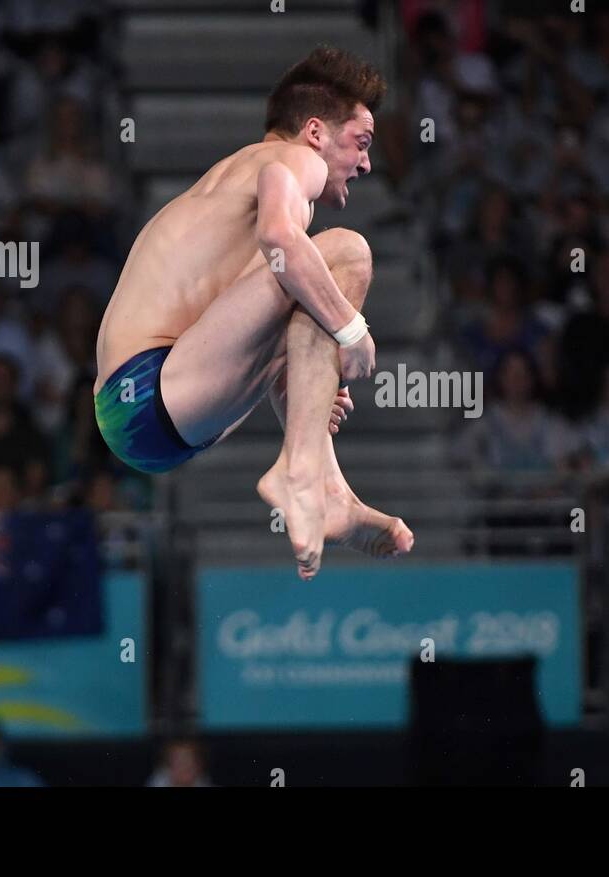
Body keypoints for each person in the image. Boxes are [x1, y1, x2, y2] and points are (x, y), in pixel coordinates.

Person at [93, 47, 413, 580]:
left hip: (142, 409)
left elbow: (260, 310)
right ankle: (303, 475)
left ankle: (327, 486)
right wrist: (351, 331)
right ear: (315, 132)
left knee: (308, 296)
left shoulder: (234, 178)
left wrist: (311, 383)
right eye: (360, 143)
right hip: (152, 386)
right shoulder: (293, 162)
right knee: (347, 254)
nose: (366, 164)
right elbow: (278, 235)